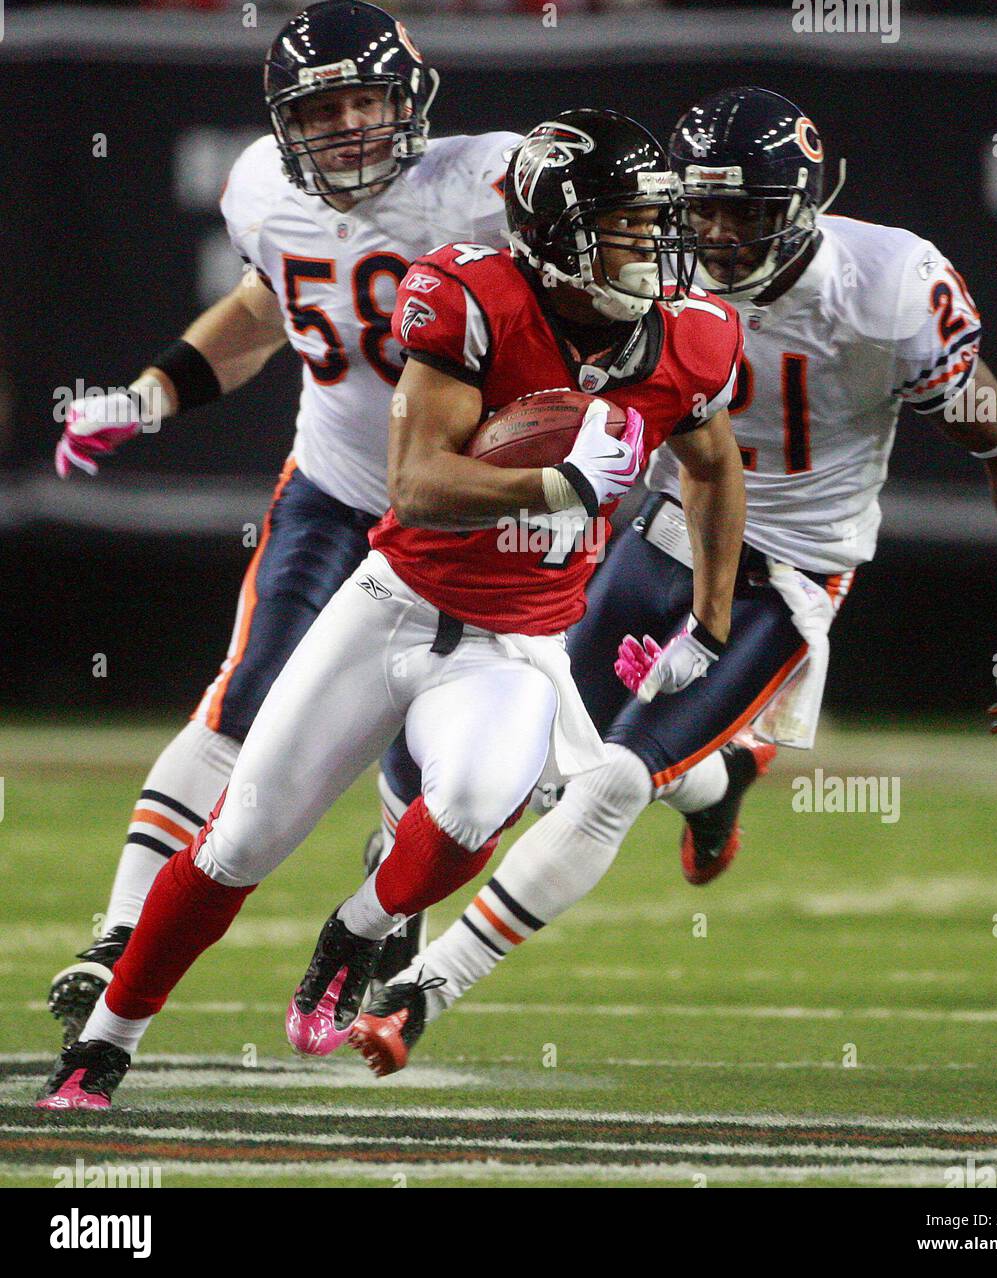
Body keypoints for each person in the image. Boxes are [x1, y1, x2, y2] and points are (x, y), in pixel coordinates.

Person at [36, 107, 747, 1109]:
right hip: (396, 604)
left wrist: (708, 623)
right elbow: (415, 485)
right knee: (240, 841)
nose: (654, 246)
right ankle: (105, 1042)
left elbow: (714, 466)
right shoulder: (473, 297)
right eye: (627, 225)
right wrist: (560, 483)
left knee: (472, 809)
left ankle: (358, 929)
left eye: (654, 221)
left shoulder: (694, 336)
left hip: (515, 642)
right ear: (556, 234)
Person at [350, 86, 997, 1078]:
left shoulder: (891, 287)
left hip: (790, 569)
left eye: (746, 211)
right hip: (661, 530)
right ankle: (716, 785)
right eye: (704, 209)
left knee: (610, 782)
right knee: (534, 765)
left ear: (808, 204)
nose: (720, 236)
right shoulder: (641, 260)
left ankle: (426, 990)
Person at [47, 0, 520, 1048]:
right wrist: (148, 395)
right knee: (242, 699)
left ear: (410, 98)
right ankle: (120, 934)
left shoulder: (488, 188)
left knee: (444, 753)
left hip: (470, 514)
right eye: (321, 109)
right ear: (283, 122)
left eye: (365, 102)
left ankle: (383, 923)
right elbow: (268, 310)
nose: (348, 128)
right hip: (339, 490)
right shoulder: (263, 185)